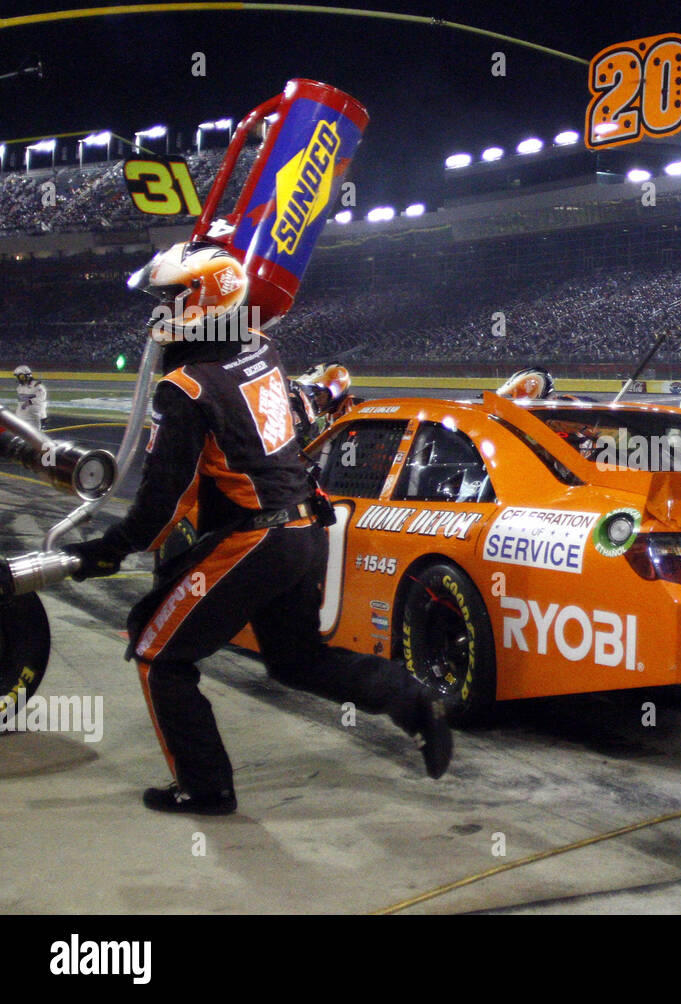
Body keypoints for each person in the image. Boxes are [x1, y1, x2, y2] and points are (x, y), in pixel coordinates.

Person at [64, 240, 452, 816]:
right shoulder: (263, 350)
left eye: (169, 299)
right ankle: (412, 699)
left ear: (203, 302)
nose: (158, 313)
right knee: (298, 661)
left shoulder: (187, 387)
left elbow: (165, 495)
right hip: (302, 529)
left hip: (259, 538)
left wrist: (112, 547)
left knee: (158, 654)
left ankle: (206, 786)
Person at [290, 361, 358, 446]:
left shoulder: (352, 412)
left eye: (318, 394)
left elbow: (343, 451)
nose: (315, 399)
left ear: (333, 391)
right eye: (314, 394)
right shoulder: (332, 414)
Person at [14, 365, 47, 431]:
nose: (19, 378)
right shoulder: (19, 387)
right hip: (21, 416)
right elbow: (20, 402)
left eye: (20, 376)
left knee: (35, 435)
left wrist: (29, 402)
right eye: (18, 376)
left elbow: (40, 398)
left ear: (27, 376)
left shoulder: (37, 386)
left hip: (33, 417)